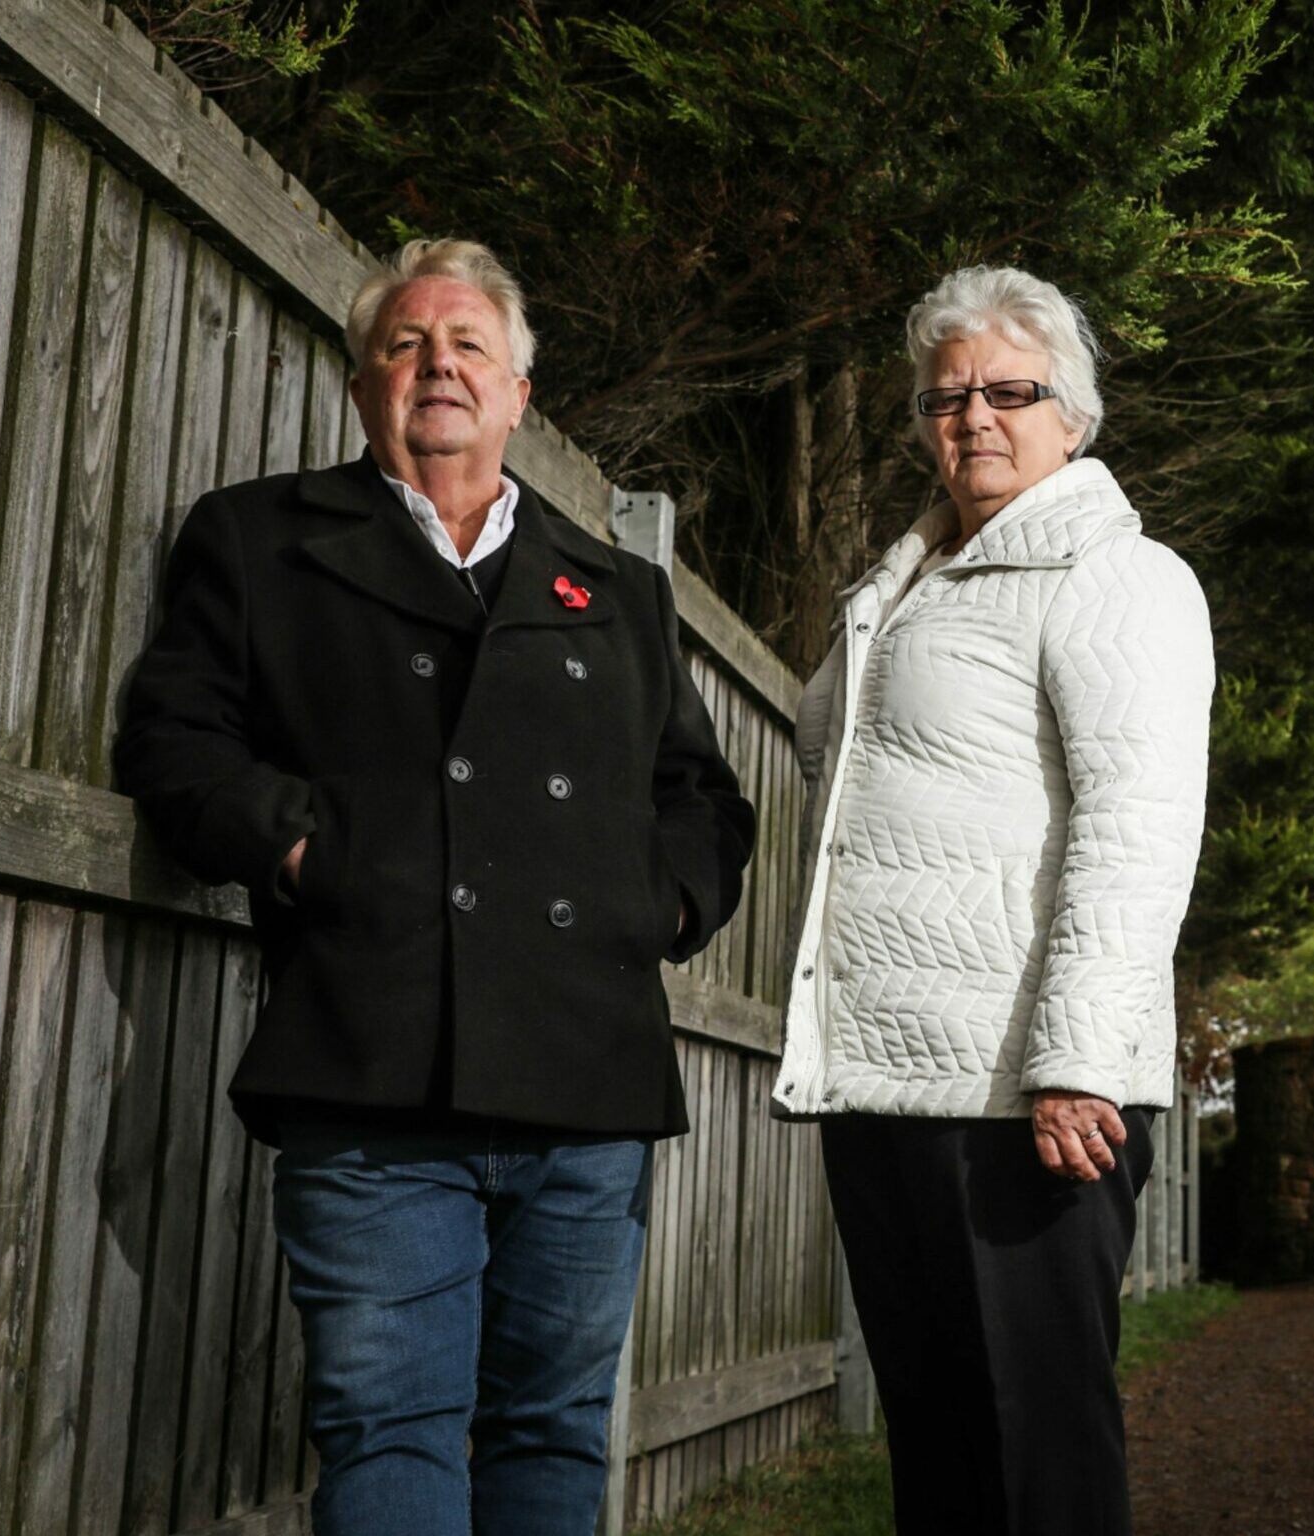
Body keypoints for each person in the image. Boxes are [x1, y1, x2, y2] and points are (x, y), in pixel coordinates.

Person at [115, 237, 755, 1536]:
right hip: (369, 1077)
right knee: (389, 1431)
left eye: (470, 346)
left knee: (553, 1437)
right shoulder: (261, 540)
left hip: (584, 1086)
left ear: (520, 393)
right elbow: (175, 746)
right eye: (404, 344)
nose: (438, 366)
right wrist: (306, 848)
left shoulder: (617, 589)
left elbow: (702, 799)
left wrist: (662, 908)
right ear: (362, 387)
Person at [771, 264, 1214, 1535]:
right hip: (896, 1089)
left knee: (1038, 1453)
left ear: (1072, 415)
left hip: (1029, 1103)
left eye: (1009, 391)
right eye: (943, 395)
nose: (972, 416)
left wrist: (1075, 1060)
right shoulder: (908, 587)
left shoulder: (1117, 578)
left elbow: (1137, 830)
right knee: (942, 1445)